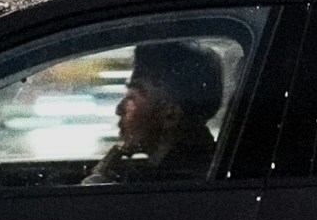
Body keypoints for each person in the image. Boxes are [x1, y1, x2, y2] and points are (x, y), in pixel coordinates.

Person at [85, 38, 228, 184]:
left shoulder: (177, 182)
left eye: (132, 97)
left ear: (170, 115)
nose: (119, 109)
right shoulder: (183, 167)